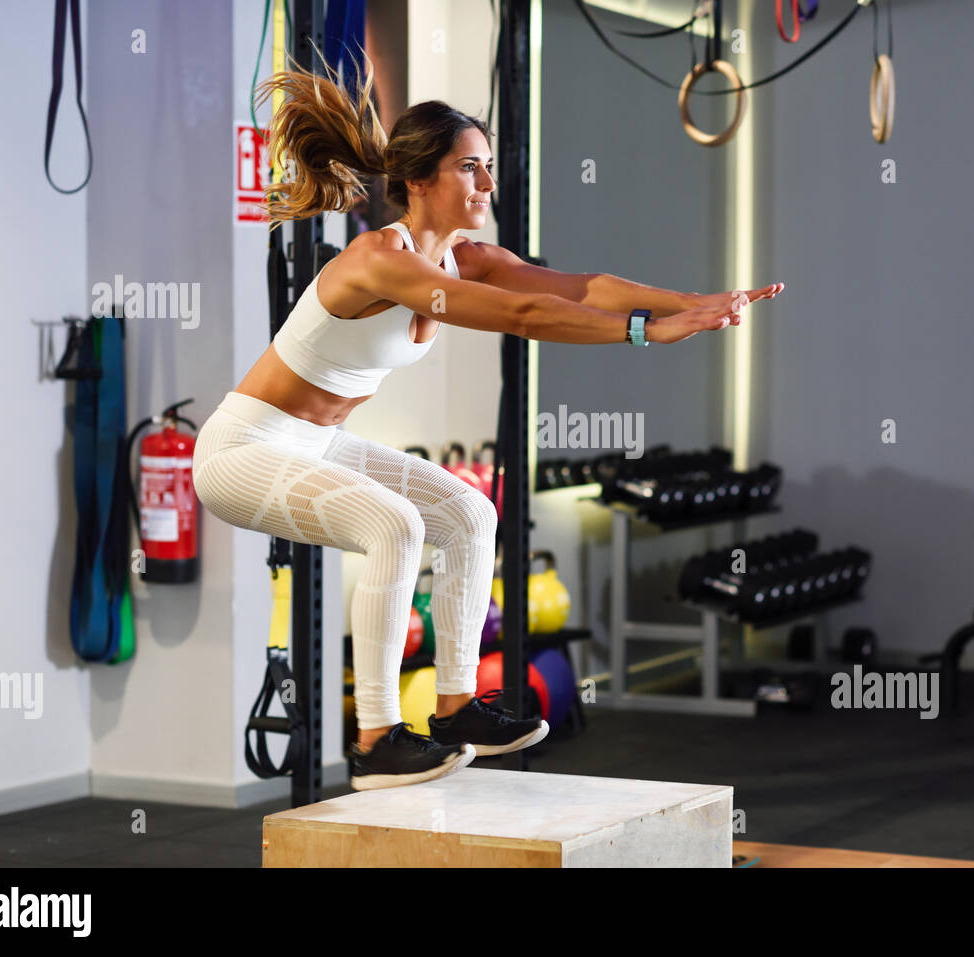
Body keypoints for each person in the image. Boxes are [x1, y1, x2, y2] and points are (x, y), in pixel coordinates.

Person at [191, 57, 783, 791]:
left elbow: (576, 287)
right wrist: (641, 333)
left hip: (311, 443)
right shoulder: (381, 260)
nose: (488, 184)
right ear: (420, 181)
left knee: (471, 512)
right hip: (240, 448)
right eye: (471, 168)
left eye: (489, 167)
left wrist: (690, 302)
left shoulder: (464, 258)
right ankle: (375, 739)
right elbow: (524, 316)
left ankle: (456, 705)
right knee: (397, 526)